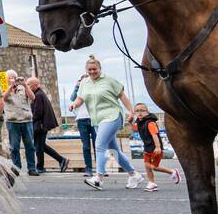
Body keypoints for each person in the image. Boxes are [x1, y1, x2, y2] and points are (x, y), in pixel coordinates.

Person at [71, 55, 140, 189]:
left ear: (100, 68)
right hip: (97, 119)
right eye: (89, 70)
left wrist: (131, 111)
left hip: (113, 115)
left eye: (94, 69)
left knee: (99, 144)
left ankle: (99, 178)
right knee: (114, 150)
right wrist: (74, 104)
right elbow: (80, 98)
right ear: (86, 70)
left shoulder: (109, 80)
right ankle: (134, 174)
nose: (92, 72)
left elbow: (122, 97)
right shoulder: (85, 83)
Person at [0, 70, 39, 176]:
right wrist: (11, 87)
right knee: (14, 146)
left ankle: (32, 168)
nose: (13, 79)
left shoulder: (24, 88)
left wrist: (25, 85)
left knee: (30, 145)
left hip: (26, 120)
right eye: (11, 77)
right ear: (7, 79)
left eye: (15, 77)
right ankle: (16, 168)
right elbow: (3, 98)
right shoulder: (4, 89)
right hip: (12, 121)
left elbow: (33, 97)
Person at [132, 103, 179, 191]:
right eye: (137, 111)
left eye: (142, 110)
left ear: (147, 112)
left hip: (155, 148)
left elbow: (155, 135)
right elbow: (134, 129)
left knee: (154, 167)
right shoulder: (139, 122)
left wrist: (158, 147)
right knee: (147, 166)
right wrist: (130, 121)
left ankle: (173, 172)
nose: (139, 113)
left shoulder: (150, 123)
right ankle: (151, 183)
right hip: (147, 148)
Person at [27, 76, 69, 173]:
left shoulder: (37, 95)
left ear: (35, 85)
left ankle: (42, 166)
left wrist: (29, 120)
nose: (27, 86)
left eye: (29, 84)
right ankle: (61, 160)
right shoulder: (39, 94)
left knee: (39, 147)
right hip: (42, 125)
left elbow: (37, 112)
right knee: (41, 146)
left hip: (40, 125)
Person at [70, 75, 96, 175]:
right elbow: (72, 98)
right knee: (86, 146)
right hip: (81, 119)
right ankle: (88, 168)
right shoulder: (78, 90)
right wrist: (77, 86)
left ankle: (100, 168)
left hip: (94, 118)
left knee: (97, 145)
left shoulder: (93, 89)